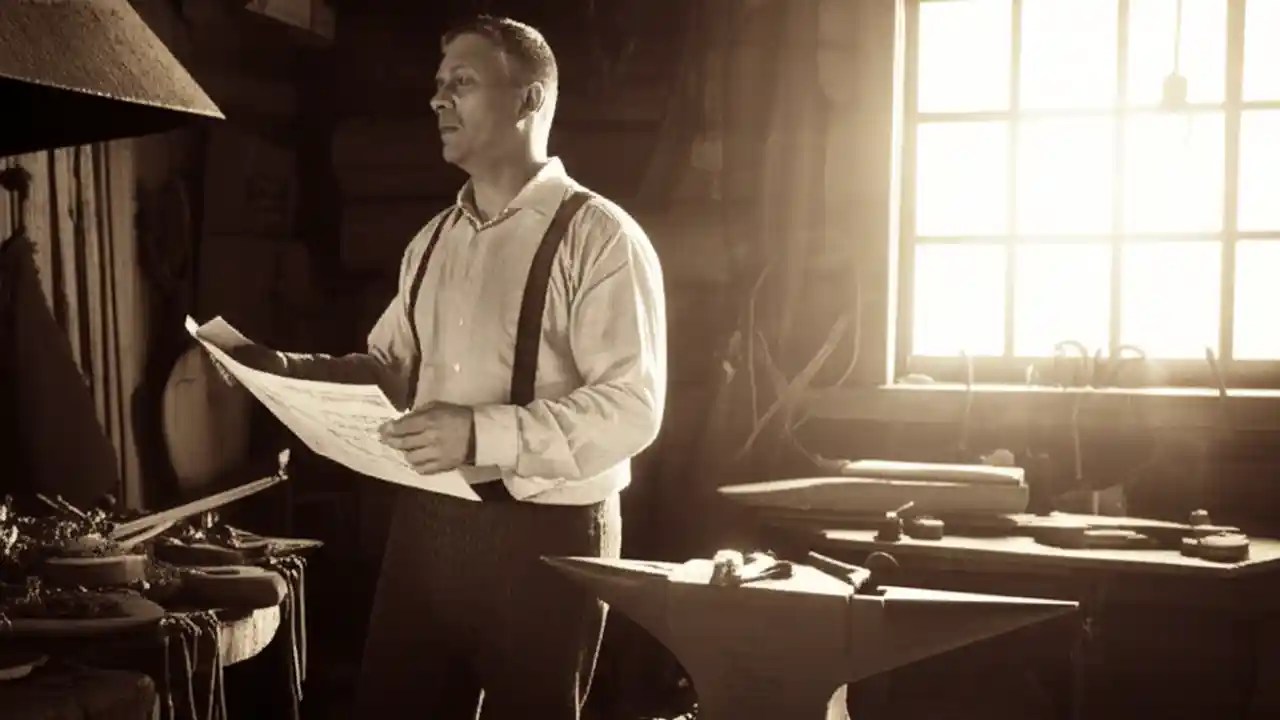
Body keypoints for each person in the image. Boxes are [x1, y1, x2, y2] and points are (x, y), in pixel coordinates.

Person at [220, 14, 667, 720]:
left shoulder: (600, 237)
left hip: (549, 538)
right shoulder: (431, 241)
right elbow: (388, 370)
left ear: (528, 100)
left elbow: (632, 407)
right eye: (438, 84)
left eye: (462, 82)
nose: (437, 99)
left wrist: (480, 433)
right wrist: (276, 368)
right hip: (425, 529)